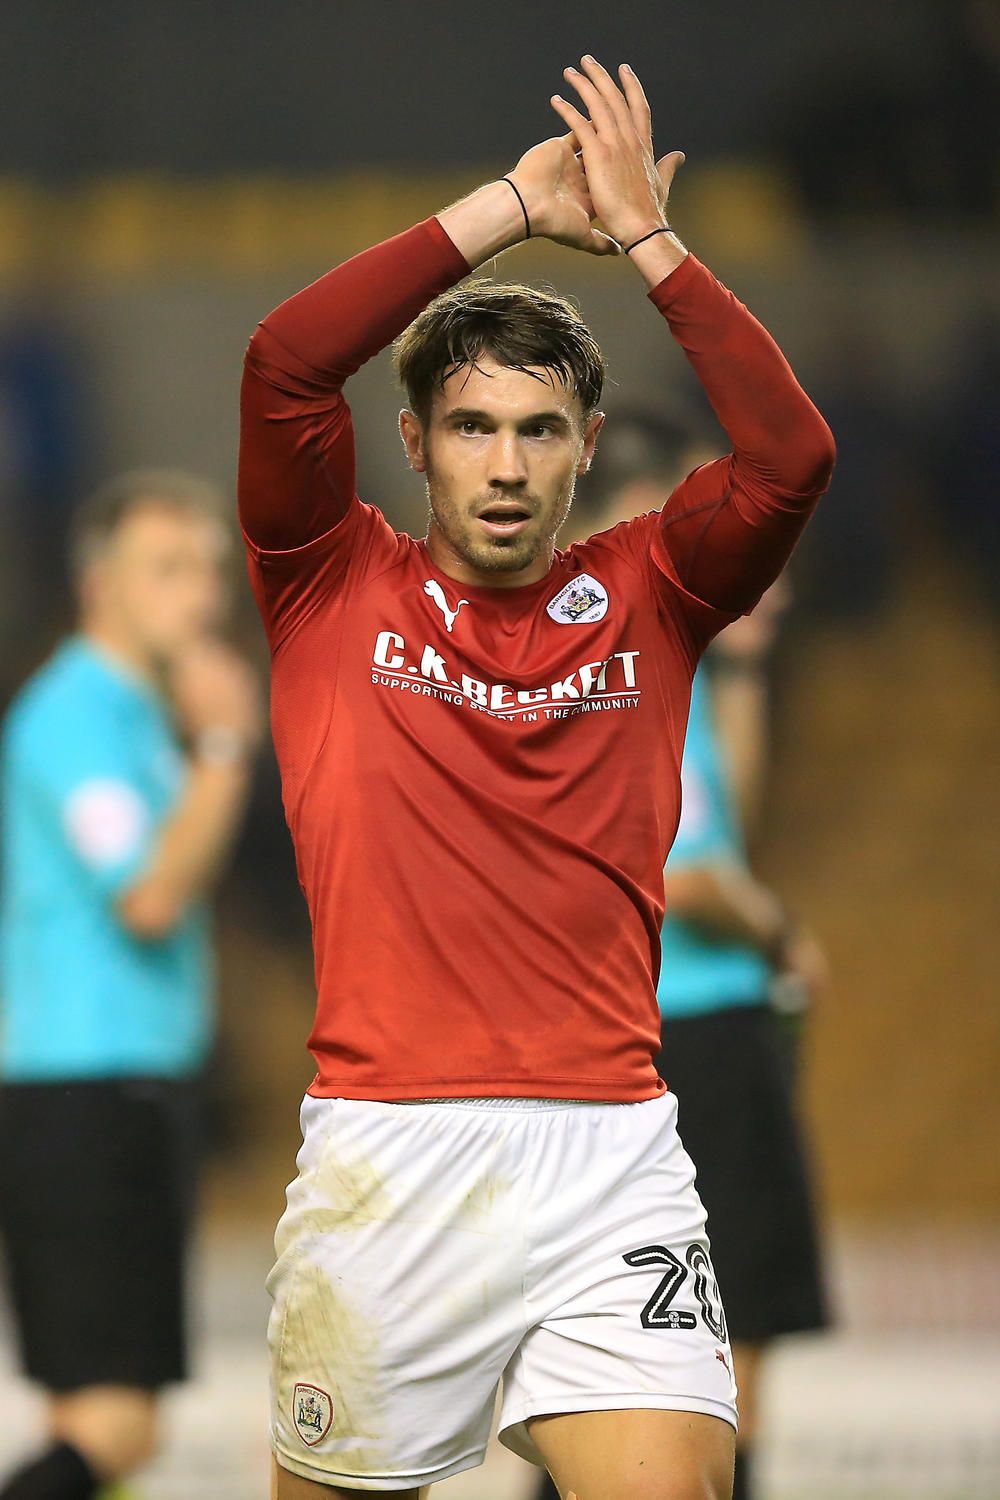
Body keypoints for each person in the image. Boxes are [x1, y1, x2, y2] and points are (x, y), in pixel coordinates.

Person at [239, 55, 835, 1500]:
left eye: (539, 431)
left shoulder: (654, 590)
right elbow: (284, 361)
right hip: (389, 1162)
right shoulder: (330, 581)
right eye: (471, 427)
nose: (504, 465)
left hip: (609, 1158)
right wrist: (512, 206)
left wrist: (650, 243)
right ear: (417, 447)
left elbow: (791, 454)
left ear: (582, 456)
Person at [534, 415, 830, 1500]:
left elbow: (720, 837)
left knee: (608, 1375)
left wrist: (743, 671)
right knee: (721, 1354)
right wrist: (780, 928)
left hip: (628, 1033)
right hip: (686, 1028)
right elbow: (696, 878)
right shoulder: (626, 654)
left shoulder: (649, 660)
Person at [0, 471, 262, 1500]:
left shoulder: (138, 721)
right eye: (168, 569)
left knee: (121, 1425)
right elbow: (148, 897)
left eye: (207, 569)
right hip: (83, 1090)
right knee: (112, 1423)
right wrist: (229, 747)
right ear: (100, 585)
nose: (200, 596)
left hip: (128, 1086)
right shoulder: (74, 715)